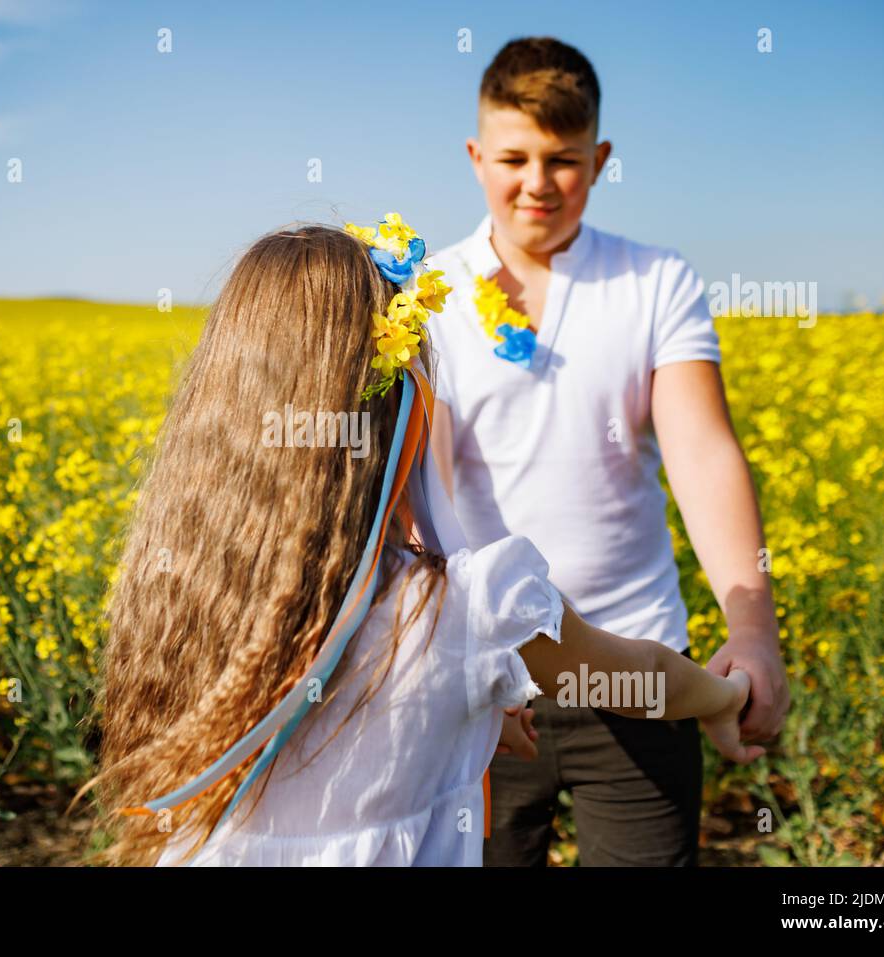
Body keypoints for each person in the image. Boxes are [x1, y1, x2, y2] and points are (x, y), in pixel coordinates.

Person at [85, 214, 762, 868]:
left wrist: (467, 706)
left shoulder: (178, 593)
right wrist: (726, 698)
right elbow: (633, 675)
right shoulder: (465, 609)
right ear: (396, 404)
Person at [425, 37, 789, 867]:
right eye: (513, 157)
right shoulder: (430, 295)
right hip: (485, 685)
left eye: (564, 159)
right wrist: (457, 657)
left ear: (602, 157)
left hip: (640, 670)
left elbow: (702, 453)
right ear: (476, 157)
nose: (538, 183)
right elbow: (426, 490)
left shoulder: (655, 280)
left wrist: (753, 629)